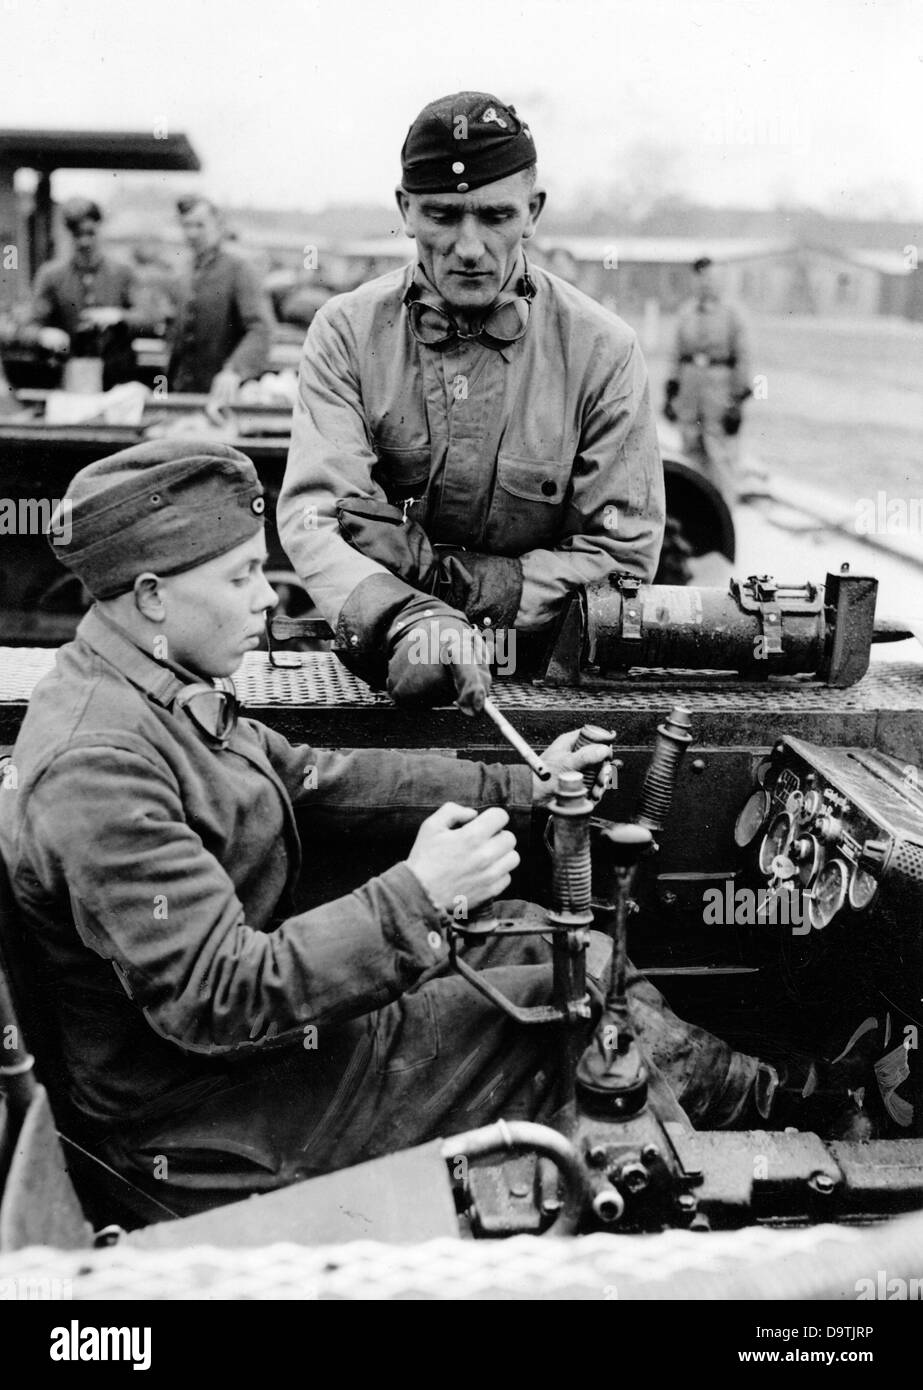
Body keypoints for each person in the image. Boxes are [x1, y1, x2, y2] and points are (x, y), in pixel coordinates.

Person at [0, 441, 871, 1219]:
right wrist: (419, 896)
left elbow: (313, 776)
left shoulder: (152, 684)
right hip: (210, 1118)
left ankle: (783, 1101)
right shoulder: (97, 766)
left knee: (551, 945)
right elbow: (216, 1001)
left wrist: (528, 784)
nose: (266, 597)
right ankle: (742, 1184)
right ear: (151, 595)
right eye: (237, 579)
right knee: (570, 1007)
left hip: (253, 1063)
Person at [277, 91, 665, 715]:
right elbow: (318, 515)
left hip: (540, 680)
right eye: (441, 215)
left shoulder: (603, 351)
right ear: (404, 210)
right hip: (384, 663)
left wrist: (464, 589)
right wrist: (407, 624)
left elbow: (622, 553)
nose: (468, 246)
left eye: (494, 216)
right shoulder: (346, 333)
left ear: (532, 211)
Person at [17, 197, 146, 390]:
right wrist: (43, 334)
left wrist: (118, 315)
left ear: (100, 229)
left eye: (90, 233)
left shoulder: (123, 273)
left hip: (117, 380)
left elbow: (149, 317)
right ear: (68, 235)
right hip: (67, 378)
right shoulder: (52, 275)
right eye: (77, 234)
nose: (84, 241)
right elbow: (25, 327)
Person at [167, 197, 274, 405]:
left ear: (218, 226)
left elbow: (261, 328)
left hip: (225, 393)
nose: (192, 233)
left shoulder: (240, 268)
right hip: (185, 391)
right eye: (186, 225)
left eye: (200, 225)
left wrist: (234, 370)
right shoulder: (185, 271)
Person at [663, 257, 753, 495]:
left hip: (719, 392)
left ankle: (724, 516)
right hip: (690, 392)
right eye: (701, 278)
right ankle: (697, 519)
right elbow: (676, 356)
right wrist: (670, 396)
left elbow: (743, 358)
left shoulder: (733, 314)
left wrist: (736, 402)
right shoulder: (686, 313)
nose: (706, 284)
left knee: (720, 456)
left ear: (720, 281)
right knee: (690, 451)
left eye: (711, 278)